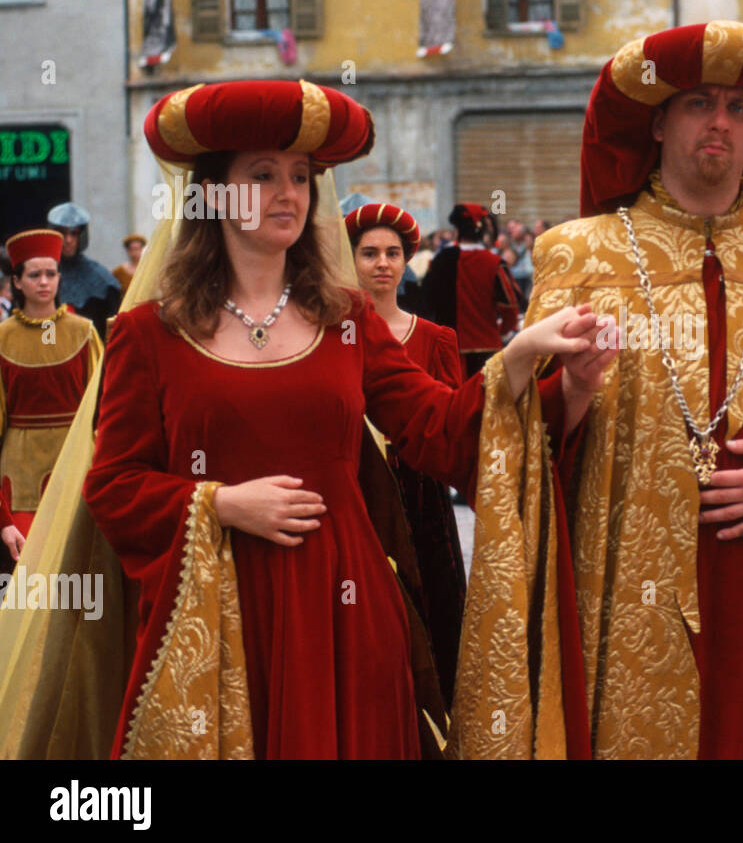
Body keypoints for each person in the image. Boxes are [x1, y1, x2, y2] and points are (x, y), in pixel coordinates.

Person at [0, 79, 617, 760]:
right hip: (223, 627)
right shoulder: (149, 333)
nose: (290, 193)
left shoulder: (346, 319)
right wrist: (220, 502)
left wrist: (537, 366)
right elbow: (113, 487)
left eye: (302, 175)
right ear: (214, 193)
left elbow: (441, 430)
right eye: (262, 174)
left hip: (346, 616)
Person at [452, 20, 743, 760]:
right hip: (626, 599)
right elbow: (518, 438)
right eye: (698, 103)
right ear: (657, 122)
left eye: (739, 108)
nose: (719, 122)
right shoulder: (580, 254)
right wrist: (575, 394)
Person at [345, 200, 466, 704]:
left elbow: (453, 426)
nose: (382, 264)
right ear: (350, 261)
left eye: (393, 253)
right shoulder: (338, 336)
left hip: (421, 494)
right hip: (360, 490)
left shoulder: (437, 338)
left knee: (432, 609)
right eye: (369, 252)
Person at [0, 229, 103, 573]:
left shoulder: (84, 332)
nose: (44, 282)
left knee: (79, 580)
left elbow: (104, 413)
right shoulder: (2, 338)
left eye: (51, 273)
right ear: (17, 281)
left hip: (76, 463)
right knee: (30, 580)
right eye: (34, 274)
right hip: (20, 472)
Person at [422, 202, 522, 377]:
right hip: (488, 346)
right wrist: (502, 330)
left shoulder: (441, 260)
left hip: (450, 347)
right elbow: (510, 306)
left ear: (457, 229)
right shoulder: (494, 262)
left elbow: (426, 302)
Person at [45, 202, 122, 340]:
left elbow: (113, 328)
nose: (68, 240)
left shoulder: (101, 279)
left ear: (80, 235)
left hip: (90, 351)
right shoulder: (43, 274)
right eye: (62, 233)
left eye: (73, 234)